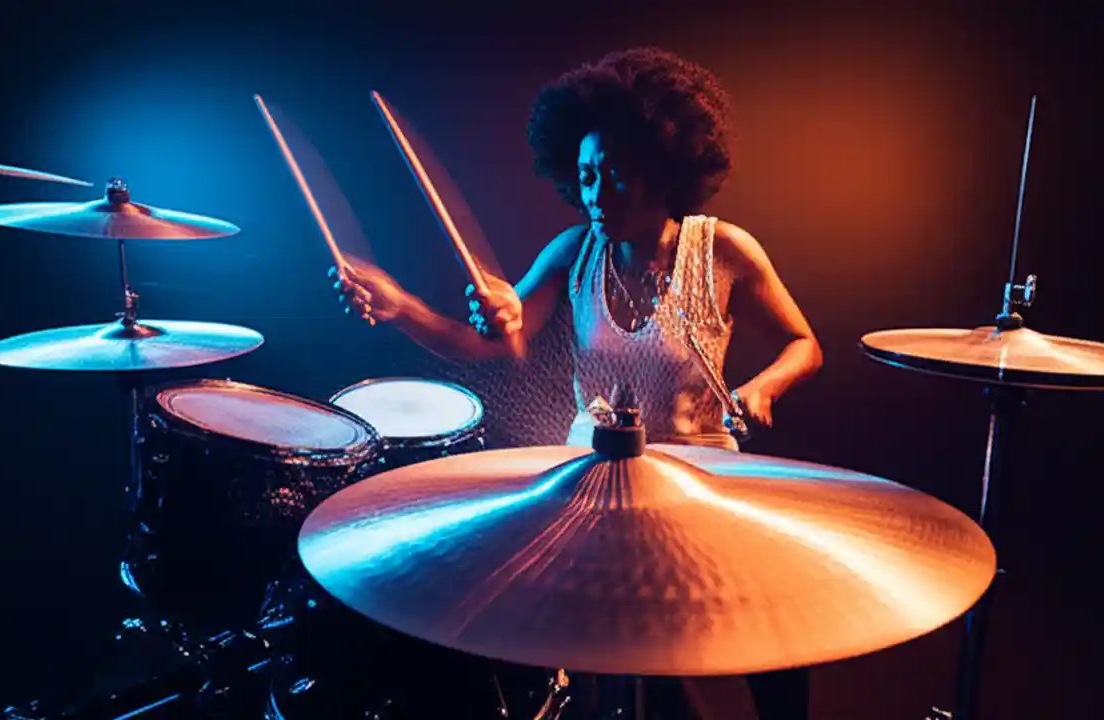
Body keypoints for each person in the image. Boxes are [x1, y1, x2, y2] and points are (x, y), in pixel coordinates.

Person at [332, 47, 822, 719]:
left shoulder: (725, 250)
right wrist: (402, 308)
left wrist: (763, 387)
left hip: (697, 489)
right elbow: (487, 342)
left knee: (709, 666)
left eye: (615, 176)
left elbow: (805, 345)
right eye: (586, 176)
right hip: (590, 486)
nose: (595, 194)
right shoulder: (573, 252)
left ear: (661, 171)